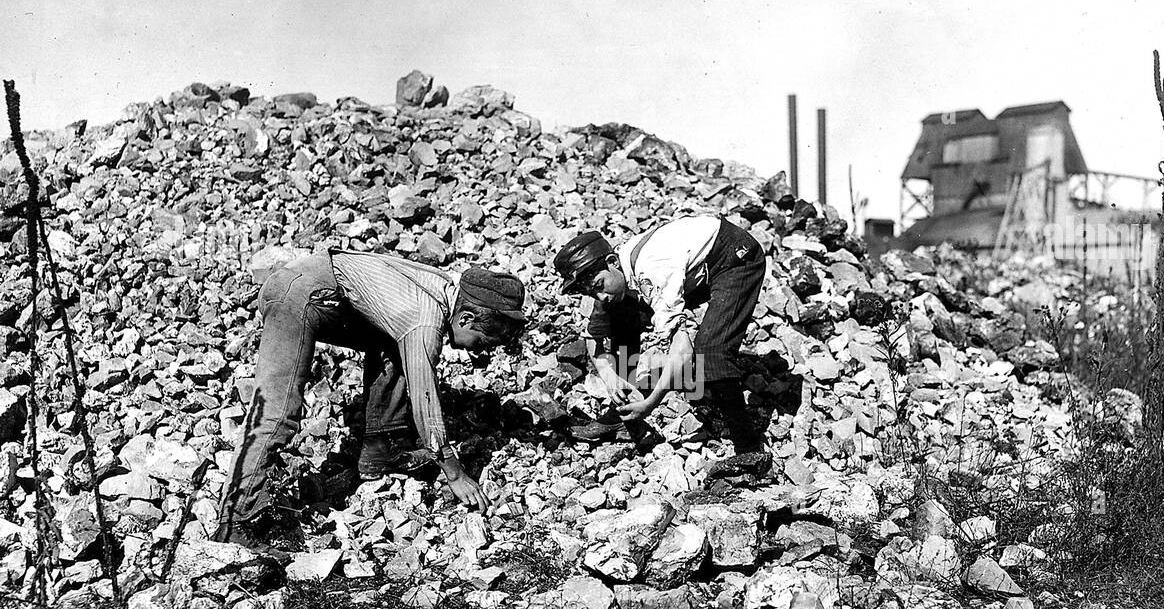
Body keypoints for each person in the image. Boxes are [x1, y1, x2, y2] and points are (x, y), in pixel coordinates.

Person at [215, 248, 526, 549]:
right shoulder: (424, 319)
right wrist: (454, 473)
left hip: (327, 292)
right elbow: (425, 397)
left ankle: (382, 448)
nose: (480, 352)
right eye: (484, 343)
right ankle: (235, 519)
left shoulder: (441, 293)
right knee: (278, 409)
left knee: (397, 344)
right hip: (296, 295)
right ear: (467, 319)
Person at [553, 212, 771, 480]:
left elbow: (683, 351)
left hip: (733, 256)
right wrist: (610, 378)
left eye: (599, 286)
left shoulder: (651, 270)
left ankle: (750, 453)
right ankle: (623, 412)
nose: (600, 296)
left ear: (612, 263)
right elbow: (593, 338)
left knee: (710, 352)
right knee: (619, 316)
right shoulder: (612, 279)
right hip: (693, 268)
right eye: (591, 293)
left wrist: (651, 402)